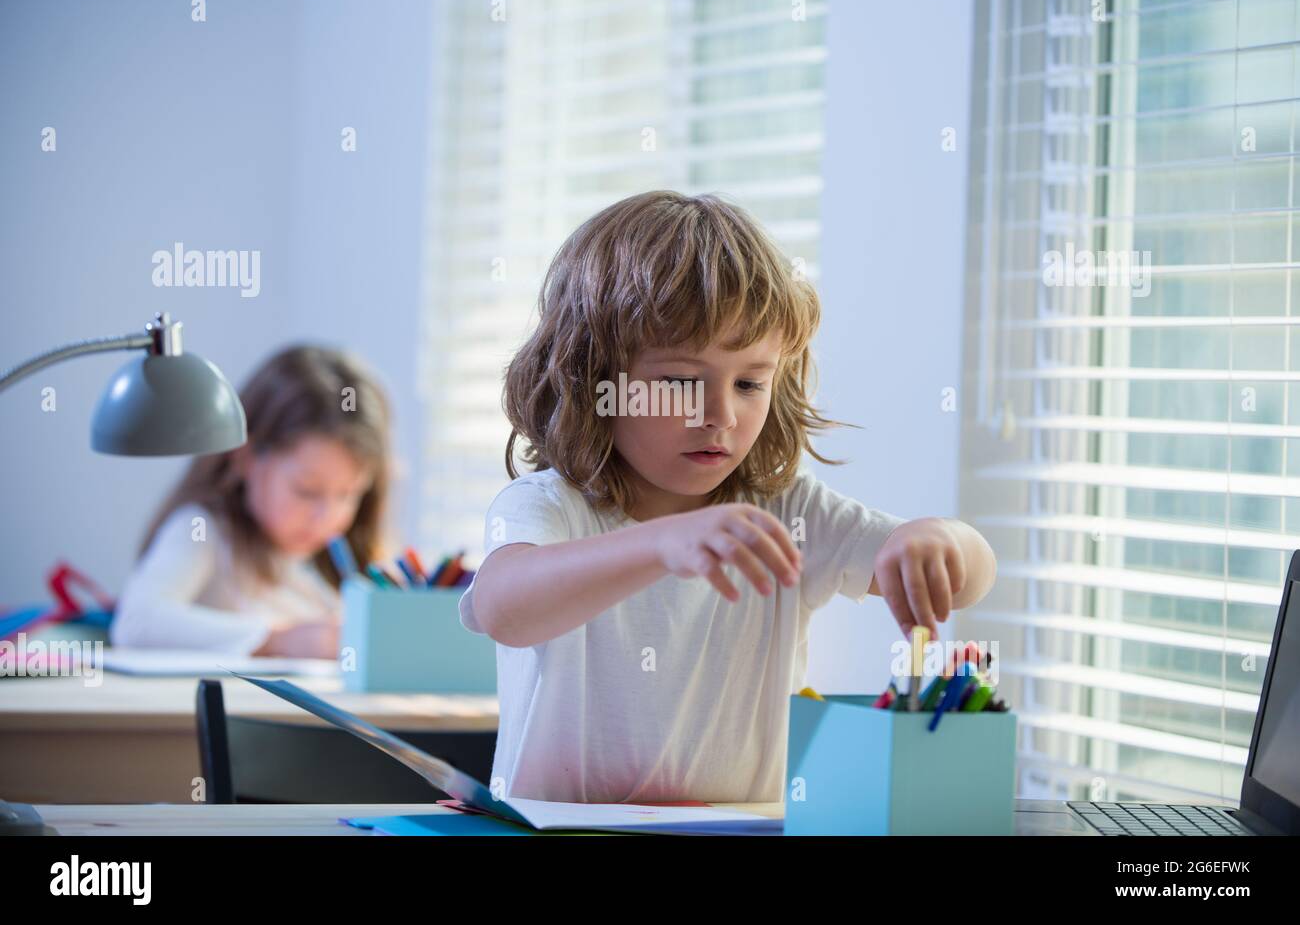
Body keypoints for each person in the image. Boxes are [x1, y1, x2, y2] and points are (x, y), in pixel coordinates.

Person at [459, 190, 999, 804]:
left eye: (749, 382)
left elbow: (971, 579)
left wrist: (937, 539)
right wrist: (662, 544)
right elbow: (504, 610)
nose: (720, 414)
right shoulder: (549, 505)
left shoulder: (789, 510)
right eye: (682, 382)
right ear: (592, 377)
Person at [110, 345, 392, 658]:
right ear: (246, 457)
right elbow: (136, 624)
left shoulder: (319, 567)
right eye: (306, 491)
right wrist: (279, 641)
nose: (326, 516)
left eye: (348, 494)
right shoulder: (204, 529)